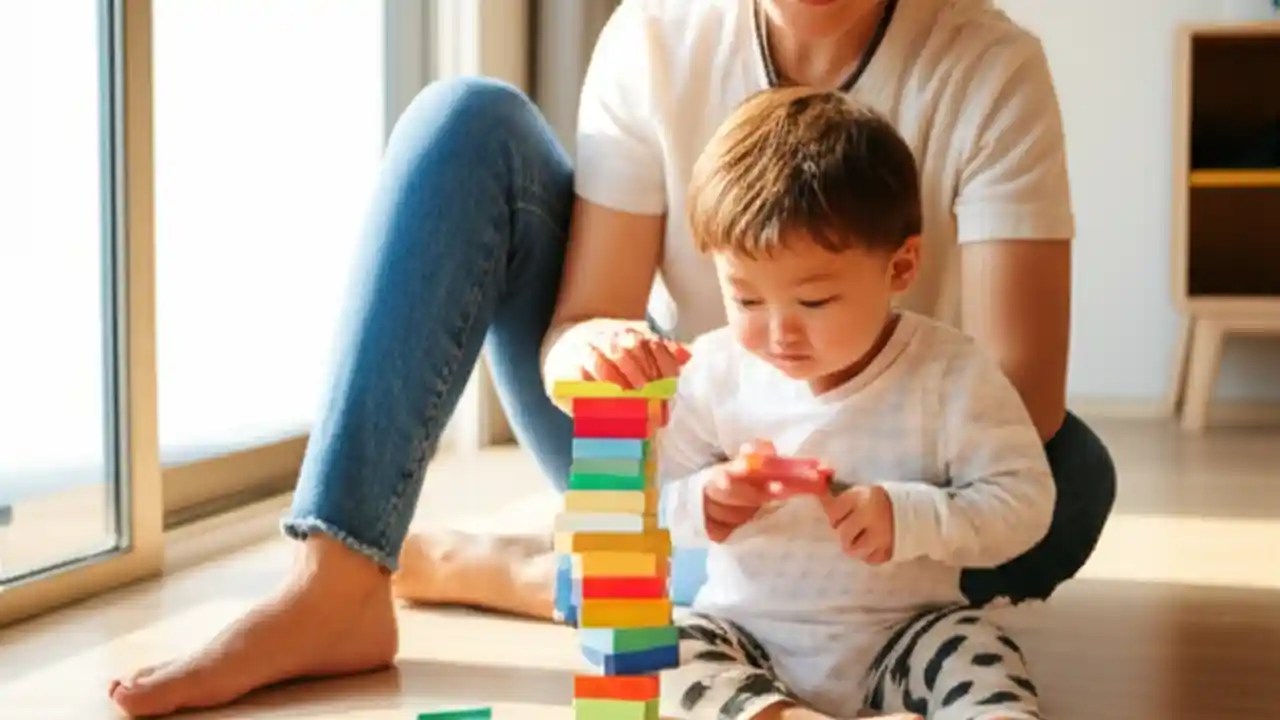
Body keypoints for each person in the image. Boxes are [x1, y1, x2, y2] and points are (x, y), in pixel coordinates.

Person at [108, 0, 1116, 716]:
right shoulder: (654, 34)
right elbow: (577, 332)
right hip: (688, 438)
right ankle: (334, 583)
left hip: (897, 471)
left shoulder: (986, 63)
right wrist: (600, 348)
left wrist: (863, 486)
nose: (782, 317)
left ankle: (558, 573)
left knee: (1066, 483)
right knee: (465, 122)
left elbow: (1018, 398)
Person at [657, 85, 1051, 720]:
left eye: (813, 302)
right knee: (657, 658)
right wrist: (703, 500)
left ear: (899, 269)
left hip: (908, 634)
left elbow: (1025, 504)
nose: (779, 331)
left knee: (983, 657)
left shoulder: (949, 373)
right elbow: (647, 497)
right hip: (748, 635)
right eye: (746, 300)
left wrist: (910, 516)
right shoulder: (712, 371)